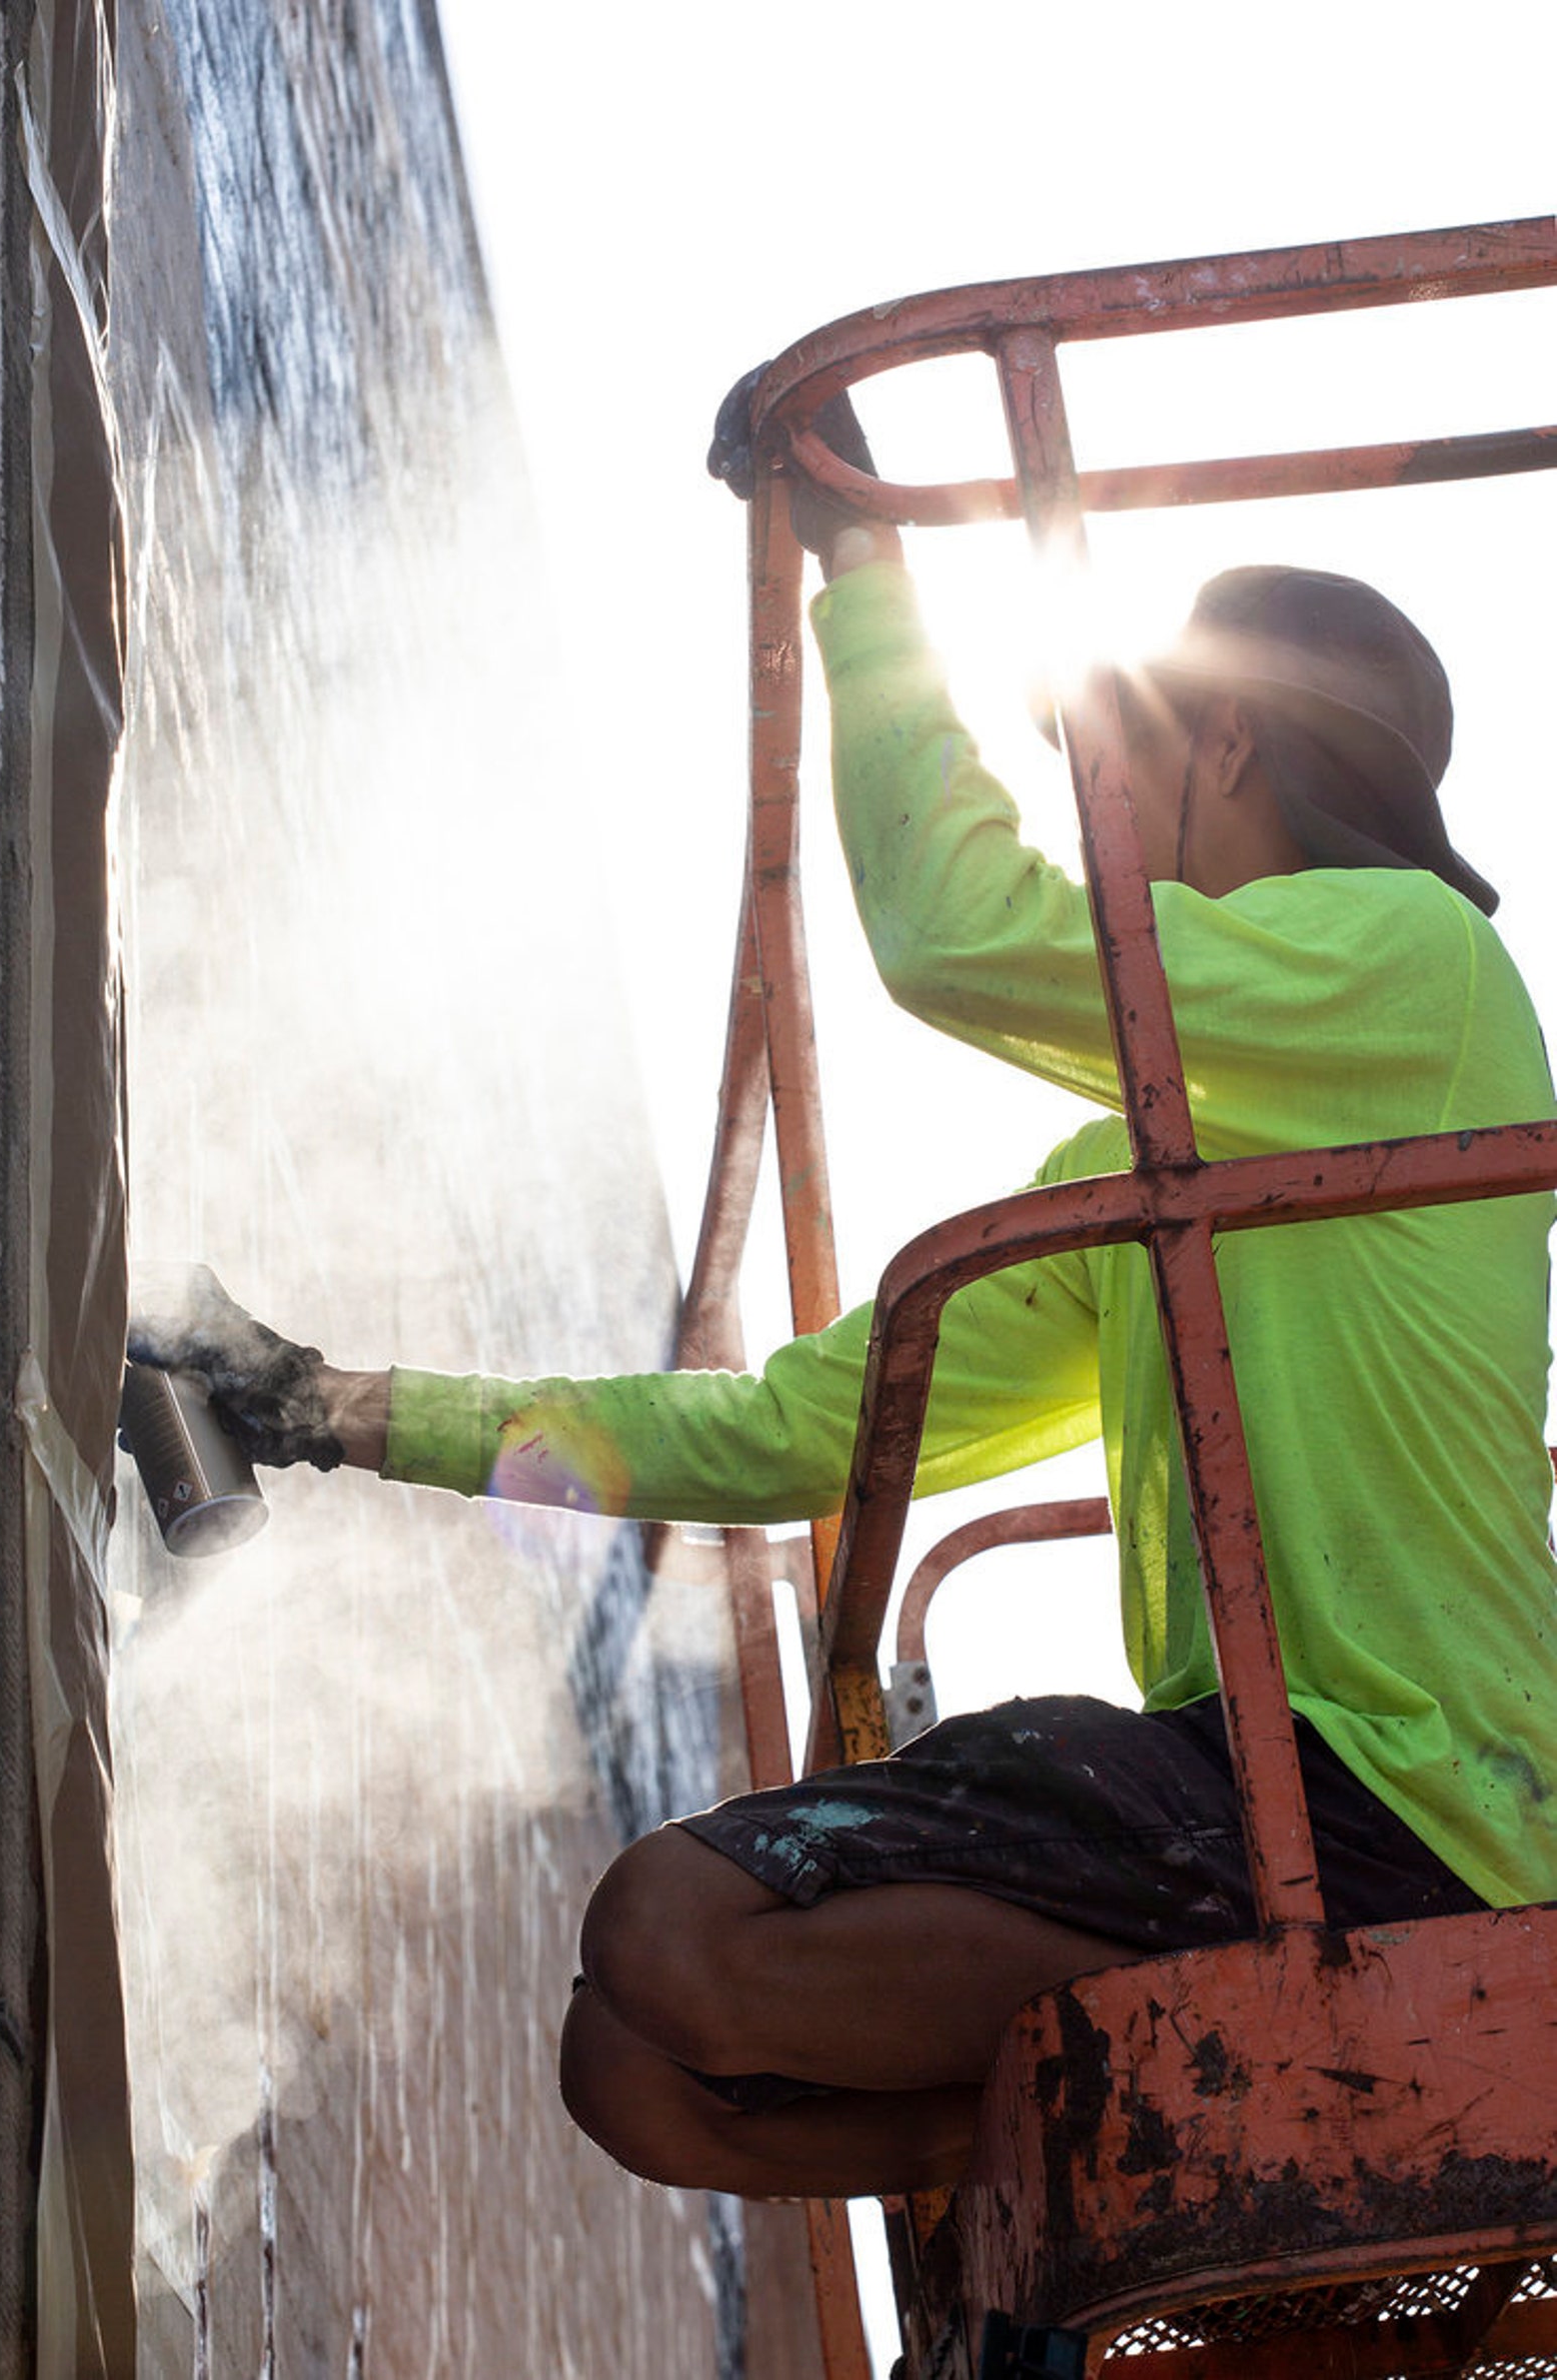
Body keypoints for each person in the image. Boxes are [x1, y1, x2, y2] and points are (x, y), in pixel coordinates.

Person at [130, 405, 1557, 2206]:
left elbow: (957, 933)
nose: (1096, 821)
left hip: (1404, 1815)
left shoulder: (1420, 968)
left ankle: (1157, 2081)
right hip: (1248, 1806)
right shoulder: (1150, 1180)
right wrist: (334, 1407)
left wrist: (866, 572)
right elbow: (800, 1432)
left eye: (1110, 769)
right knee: (633, 2063)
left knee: (673, 1936)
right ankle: (1114, 2109)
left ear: (1233, 743)